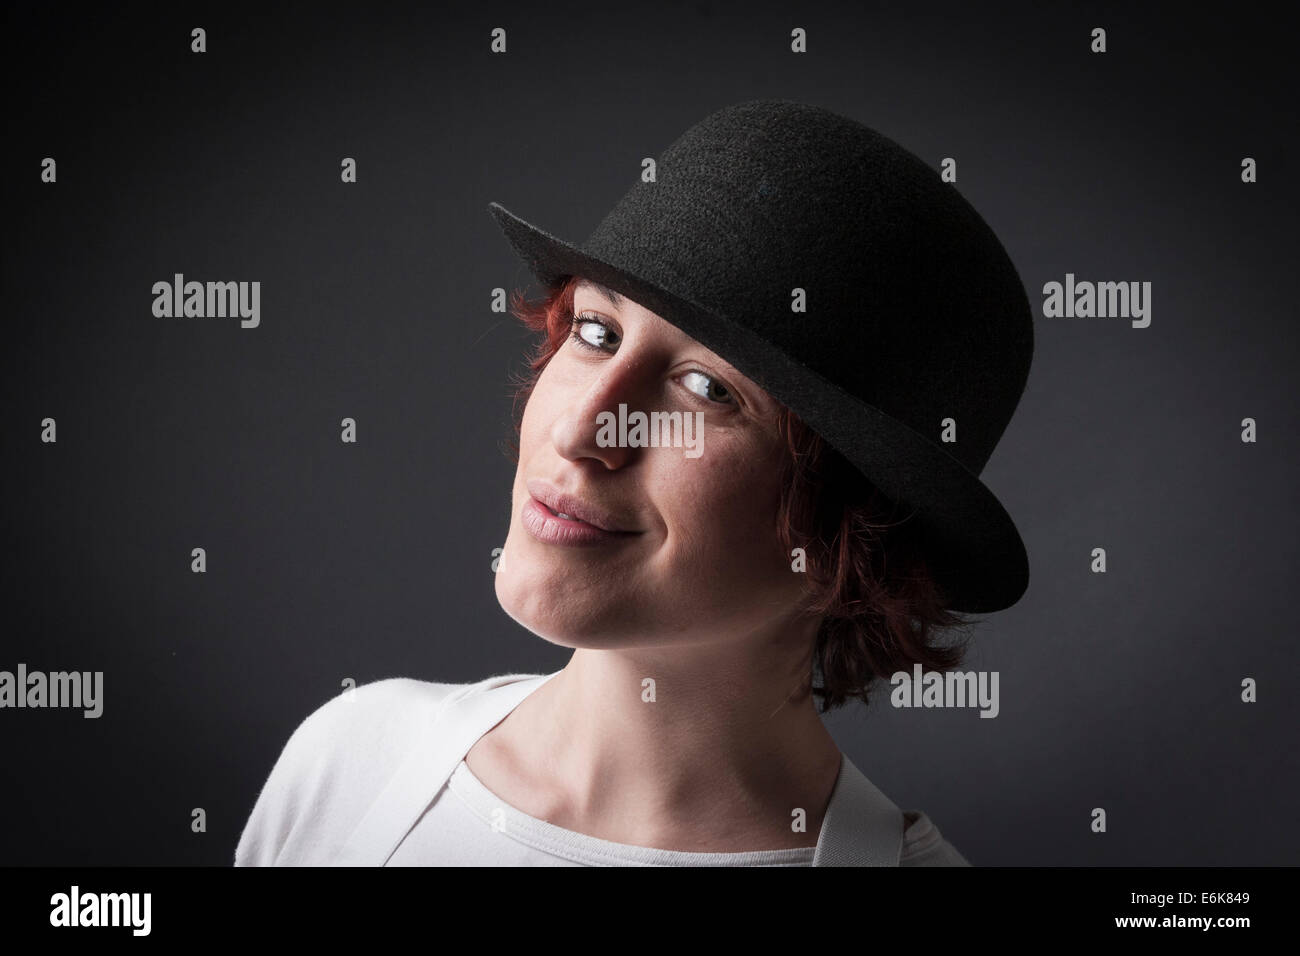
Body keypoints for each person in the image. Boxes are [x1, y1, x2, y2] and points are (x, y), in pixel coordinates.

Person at [235, 98, 1034, 866]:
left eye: (709, 389)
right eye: (596, 331)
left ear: (859, 528)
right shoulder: (351, 758)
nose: (584, 430)